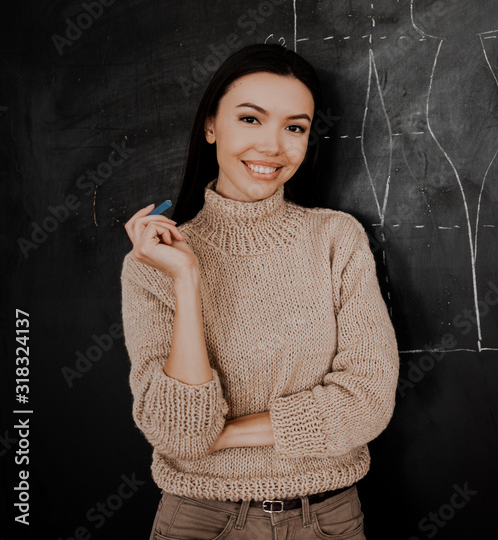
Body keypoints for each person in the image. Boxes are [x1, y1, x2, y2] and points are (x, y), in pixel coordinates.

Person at [121, 44, 398, 538]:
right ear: (211, 126)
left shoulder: (336, 238)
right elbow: (178, 432)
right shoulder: (153, 263)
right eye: (251, 119)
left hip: (329, 519)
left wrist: (221, 436)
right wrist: (186, 281)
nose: (273, 146)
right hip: (202, 522)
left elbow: (368, 402)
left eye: (295, 127)